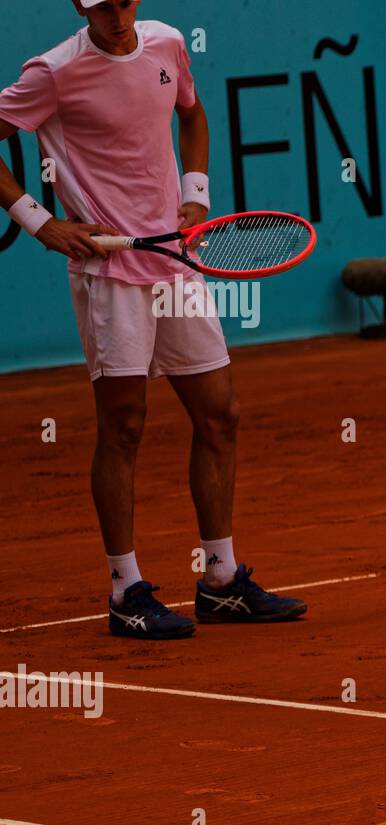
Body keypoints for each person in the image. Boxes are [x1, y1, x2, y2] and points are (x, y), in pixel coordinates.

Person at [0, 0, 305, 638]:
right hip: (108, 272)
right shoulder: (53, 72)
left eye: (124, 1)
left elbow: (192, 116)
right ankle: (125, 589)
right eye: (100, 5)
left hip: (176, 262)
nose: (115, 14)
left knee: (219, 414)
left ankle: (220, 582)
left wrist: (196, 194)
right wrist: (41, 221)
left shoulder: (167, 44)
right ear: (80, 6)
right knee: (125, 426)